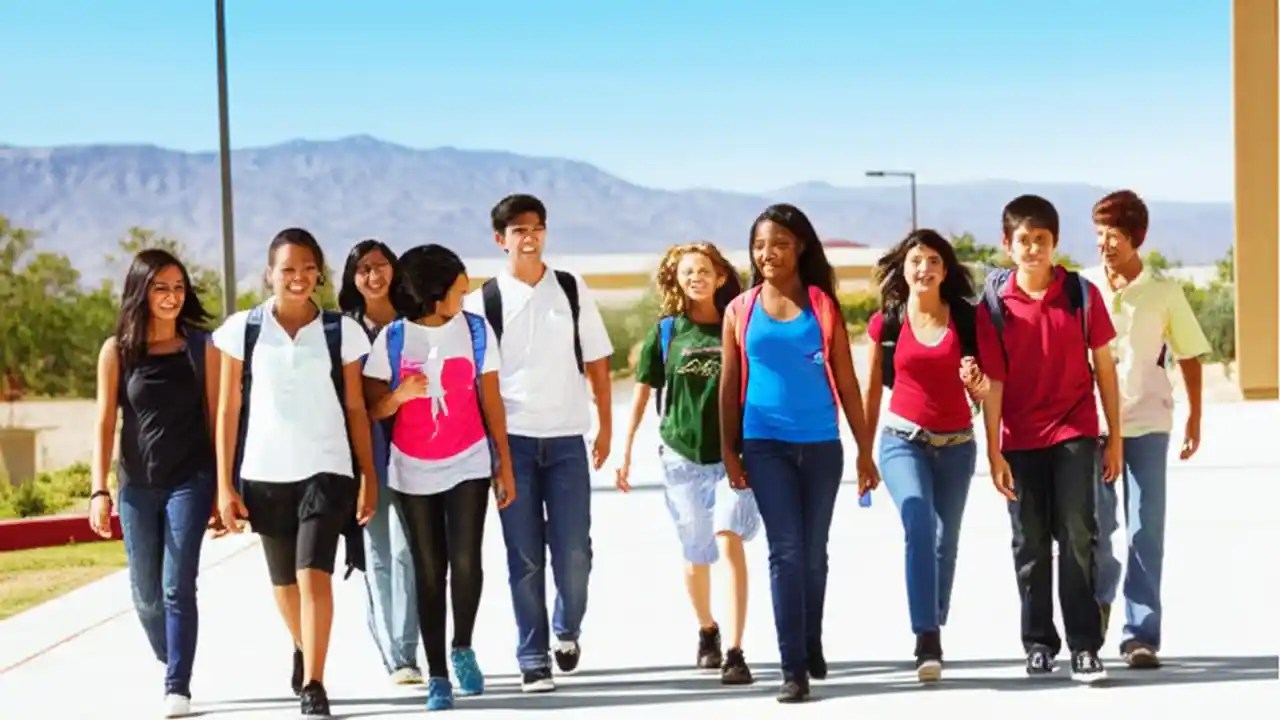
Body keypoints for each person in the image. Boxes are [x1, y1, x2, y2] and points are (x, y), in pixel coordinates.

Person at [213, 228, 378, 717]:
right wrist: (224, 484)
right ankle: (304, 646)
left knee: (313, 577)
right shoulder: (242, 330)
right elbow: (227, 409)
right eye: (288, 269)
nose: (299, 277)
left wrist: (367, 472)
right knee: (283, 583)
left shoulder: (339, 331)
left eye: (308, 268)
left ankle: (314, 684)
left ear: (319, 274)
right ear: (270, 273)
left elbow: (354, 406)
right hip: (264, 473)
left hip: (327, 470)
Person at [719, 203, 880, 703]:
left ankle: (810, 639)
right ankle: (793, 668)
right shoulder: (739, 309)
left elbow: (849, 383)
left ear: (800, 247)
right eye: (760, 245)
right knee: (785, 551)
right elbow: (728, 385)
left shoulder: (821, 305)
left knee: (813, 554)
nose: (768, 253)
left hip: (821, 445)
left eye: (780, 244)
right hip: (764, 442)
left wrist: (864, 451)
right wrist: (729, 450)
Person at [462, 193, 613, 693]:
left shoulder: (570, 289)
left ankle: (566, 629)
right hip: (513, 445)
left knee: (574, 552)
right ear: (499, 239)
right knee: (523, 555)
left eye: (537, 227)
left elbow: (596, 359)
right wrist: (491, 452)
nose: (529, 237)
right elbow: (475, 381)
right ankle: (533, 657)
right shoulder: (481, 303)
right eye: (518, 230)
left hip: (567, 438)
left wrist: (606, 425)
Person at [363, 244, 518, 710]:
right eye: (458, 286)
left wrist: (502, 463)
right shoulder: (392, 338)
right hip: (412, 468)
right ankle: (436, 675)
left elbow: (491, 400)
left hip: (469, 459)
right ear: (435, 291)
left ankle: (462, 647)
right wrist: (401, 394)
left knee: (466, 560)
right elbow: (373, 407)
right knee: (431, 571)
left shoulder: (475, 330)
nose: (465, 291)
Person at [976, 194, 1121, 684]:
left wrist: (1114, 437)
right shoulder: (994, 306)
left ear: (1055, 243)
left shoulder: (1081, 295)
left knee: (1080, 536)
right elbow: (992, 383)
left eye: (1042, 240)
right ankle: (1039, 642)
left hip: (1075, 430)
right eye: (1024, 240)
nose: (1033, 248)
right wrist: (993, 449)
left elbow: (1104, 369)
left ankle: (1085, 646)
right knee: (1030, 542)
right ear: (1007, 244)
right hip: (1019, 437)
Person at [616, 242, 761, 686]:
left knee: (729, 540)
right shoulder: (666, 333)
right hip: (680, 456)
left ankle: (736, 651)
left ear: (720, 276)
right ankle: (707, 629)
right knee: (696, 552)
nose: (695, 277)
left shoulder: (738, 327)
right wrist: (624, 451)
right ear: (675, 281)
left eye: (703, 270)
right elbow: (642, 394)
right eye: (686, 272)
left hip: (730, 457)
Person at [90, 249, 219, 718]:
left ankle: (177, 683)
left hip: (191, 478)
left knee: (176, 583)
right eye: (161, 287)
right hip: (137, 487)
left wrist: (224, 488)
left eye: (178, 287)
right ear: (141, 291)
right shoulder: (117, 350)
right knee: (145, 595)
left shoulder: (202, 347)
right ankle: (173, 652)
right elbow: (105, 424)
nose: (171, 296)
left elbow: (215, 418)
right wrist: (99, 490)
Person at [1086, 189, 1211, 669]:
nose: (1104, 244)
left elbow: (1190, 354)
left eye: (1113, 235)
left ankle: (1140, 634)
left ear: (1136, 237)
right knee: (1096, 530)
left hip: (1148, 425)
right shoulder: (1084, 287)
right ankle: (1096, 609)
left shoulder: (1164, 291)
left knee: (1145, 531)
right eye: (1098, 234)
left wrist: (1195, 417)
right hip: (1093, 428)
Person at [863, 229, 989, 682]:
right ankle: (926, 638)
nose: (924, 268)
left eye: (933, 260)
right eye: (916, 260)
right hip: (902, 440)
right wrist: (863, 453)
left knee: (944, 540)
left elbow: (987, 389)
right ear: (903, 269)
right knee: (917, 523)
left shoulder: (969, 321)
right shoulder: (887, 323)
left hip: (957, 445)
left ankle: (932, 613)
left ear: (945, 270)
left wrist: (977, 385)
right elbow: (872, 391)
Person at [337, 239, 423, 685]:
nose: (374, 275)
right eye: (364, 269)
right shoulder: (343, 331)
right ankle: (398, 656)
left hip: (420, 452)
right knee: (378, 552)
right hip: (364, 456)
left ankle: (409, 645)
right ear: (352, 278)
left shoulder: (417, 324)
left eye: (381, 266)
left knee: (411, 549)